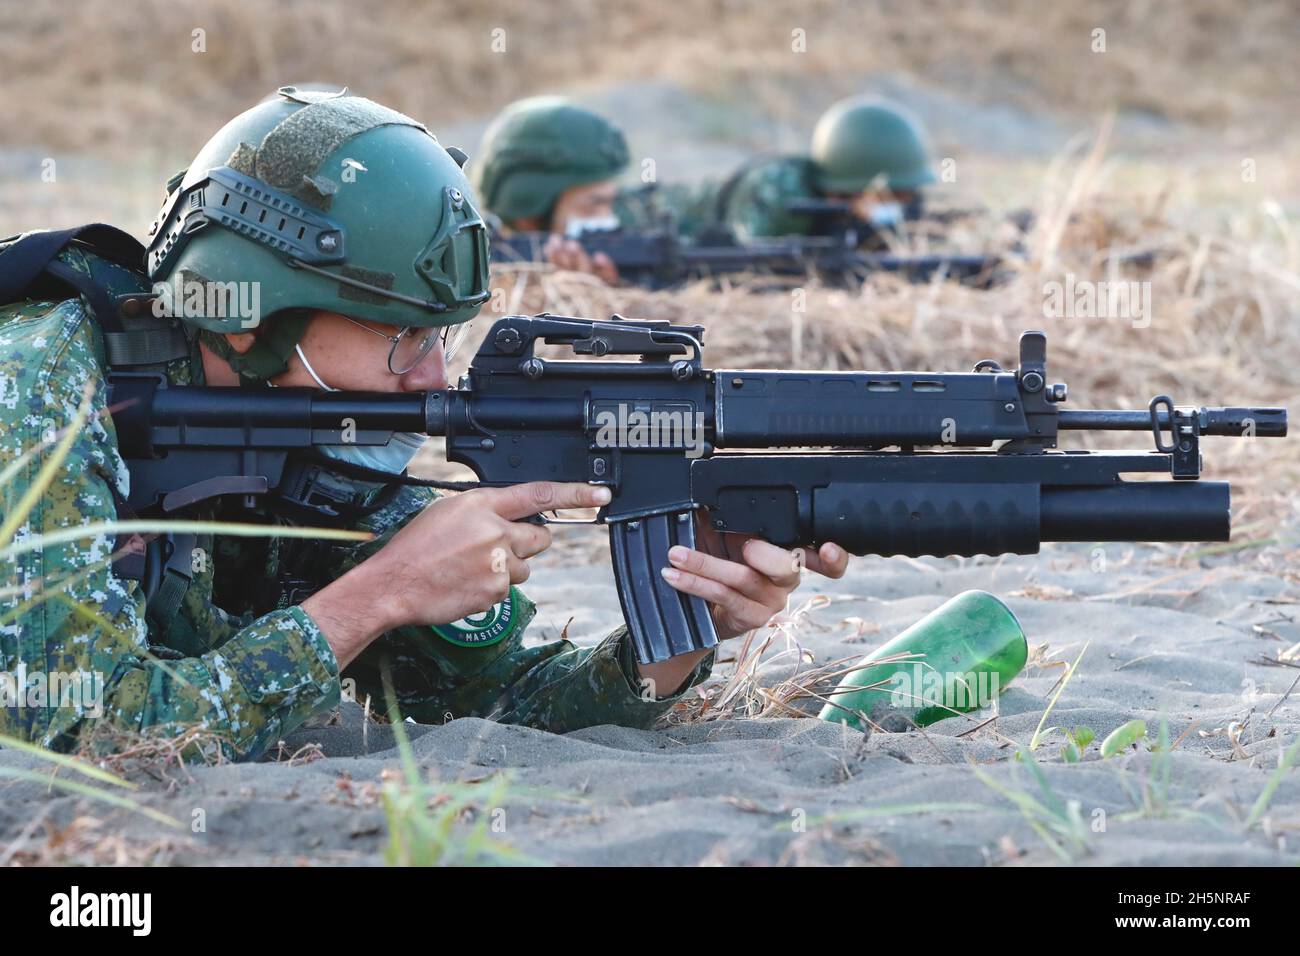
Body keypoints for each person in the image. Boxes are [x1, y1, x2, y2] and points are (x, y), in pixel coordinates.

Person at [0, 87, 847, 761]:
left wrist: (684, 628)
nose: (434, 375)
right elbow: (78, 739)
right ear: (251, 319)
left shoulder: (324, 439)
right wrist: (377, 596)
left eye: (440, 335)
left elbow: (498, 707)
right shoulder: (40, 391)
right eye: (403, 336)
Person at [644, 96, 937, 248]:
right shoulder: (778, 195)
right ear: (844, 192)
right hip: (651, 213)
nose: (902, 206)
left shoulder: (846, 208)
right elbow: (748, 270)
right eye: (892, 196)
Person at [471, 96, 630, 284]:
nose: (609, 221)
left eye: (611, 204)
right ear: (529, 215)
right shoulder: (476, 289)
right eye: (591, 206)